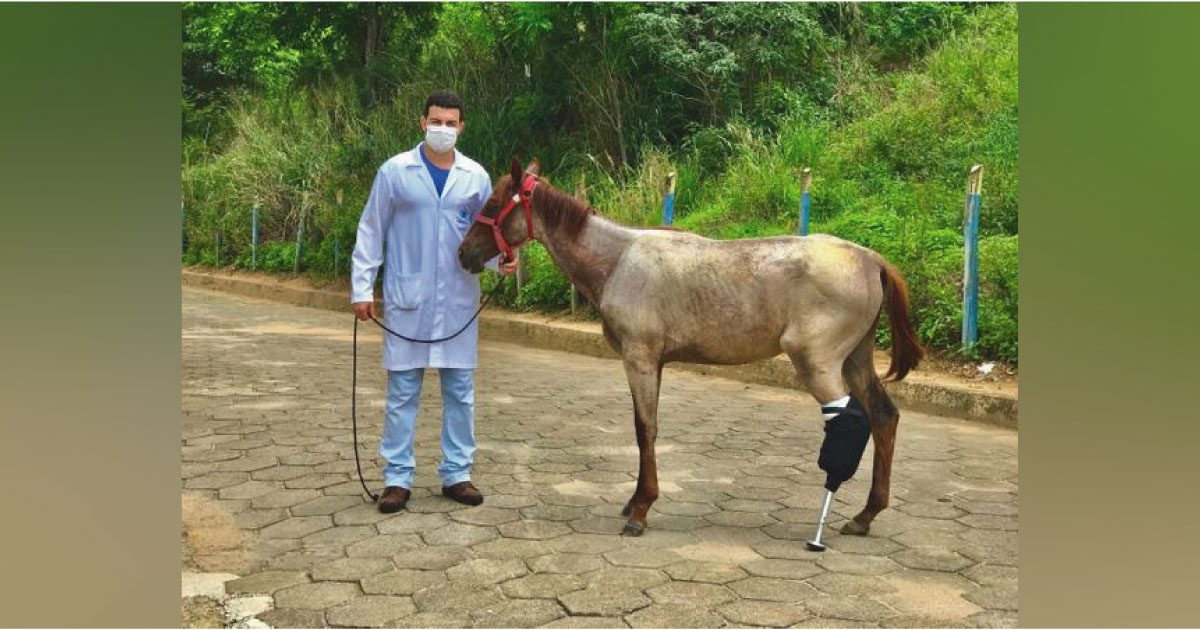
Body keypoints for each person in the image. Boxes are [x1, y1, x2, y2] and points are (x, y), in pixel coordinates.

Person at [350, 90, 517, 514]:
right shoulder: (395, 172)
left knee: (460, 390)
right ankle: (396, 478)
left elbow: (484, 234)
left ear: (462, 127)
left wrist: (502, 263)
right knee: (404, 389)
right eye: (436, 121)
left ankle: (457, 474)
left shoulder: (475, 176)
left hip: (459, 297)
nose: (443, 129)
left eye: (451, 122)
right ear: (422, 122)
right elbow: (371, 229)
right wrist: (362, 289)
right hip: (409, 296)